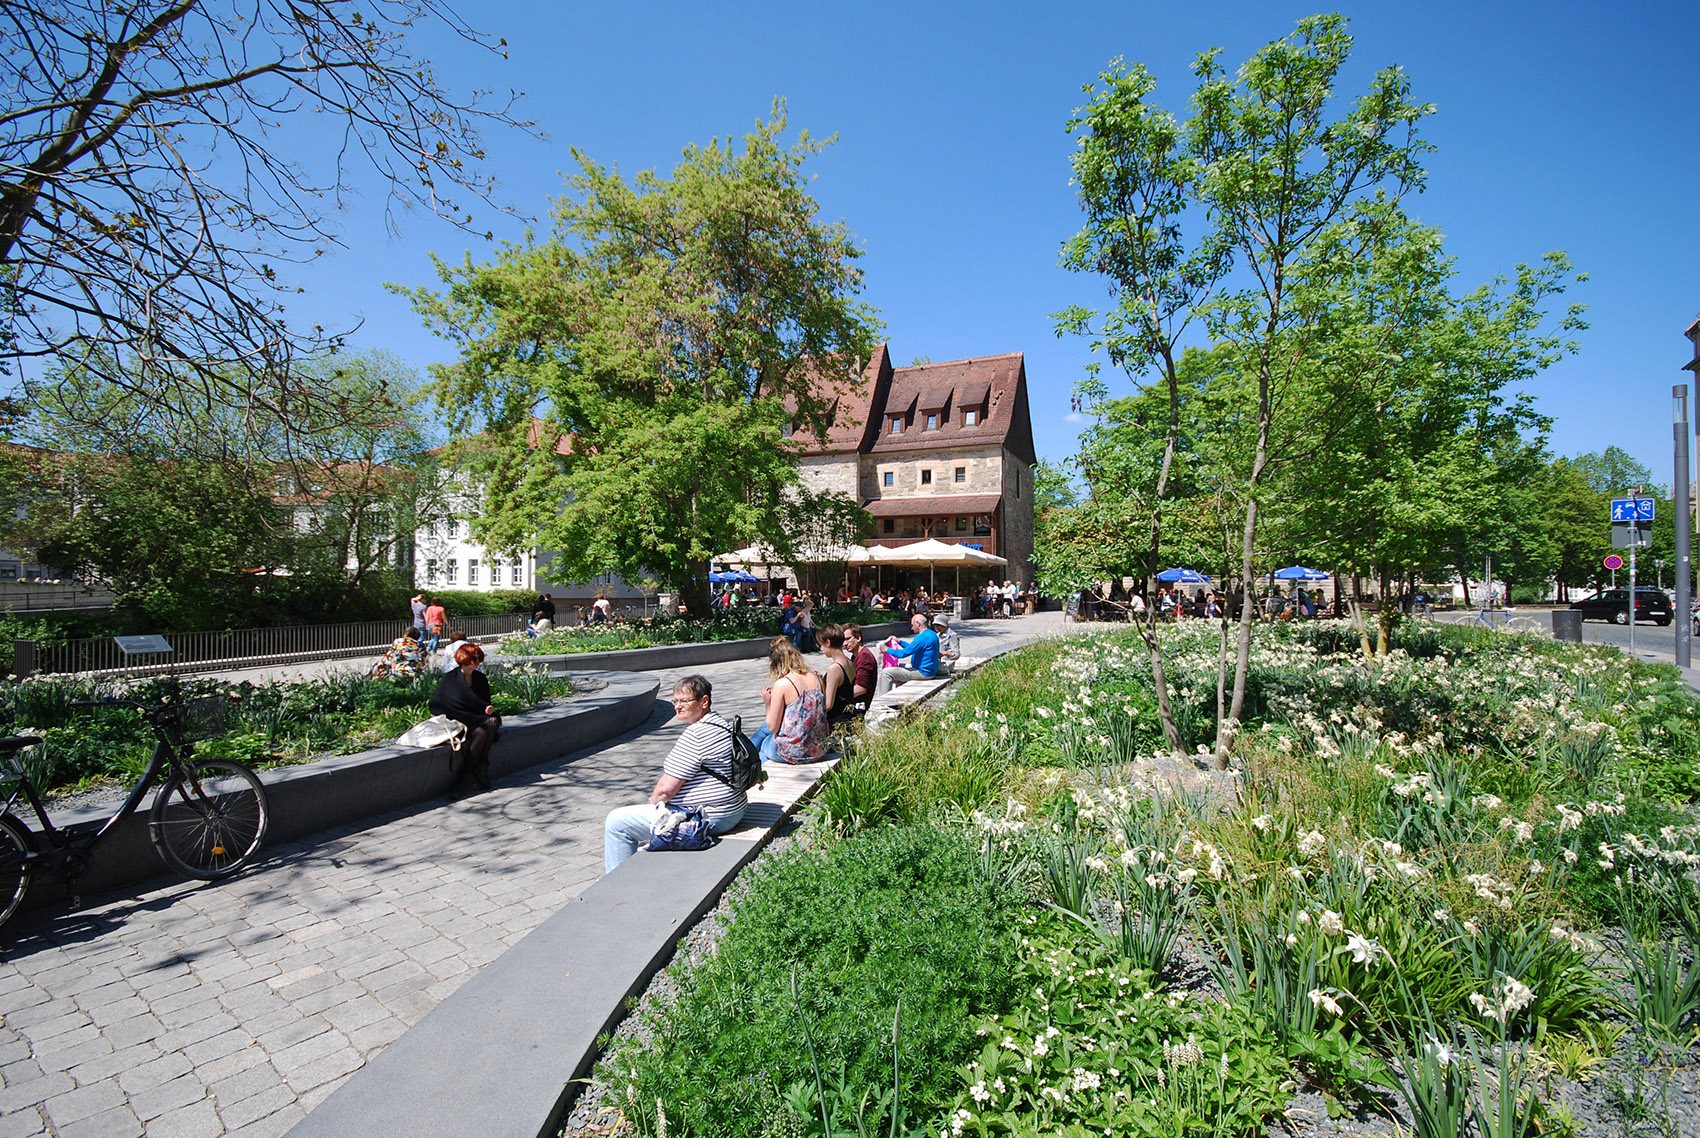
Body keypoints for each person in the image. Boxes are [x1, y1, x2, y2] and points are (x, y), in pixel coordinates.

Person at [601, 675, 747, 873]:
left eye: (684, 701)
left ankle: (616, 883)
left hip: (710, 818)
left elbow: (665, 790)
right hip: (734, 810)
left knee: (616, 822)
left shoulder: (695, 735)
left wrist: (653, 807)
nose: (677, 706)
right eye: (675, 701)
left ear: (704, 701)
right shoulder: (722, 724)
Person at [430, 643, 500, 796]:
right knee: (485, 729)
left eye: (479, 659)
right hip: (458, 721)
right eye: (474, 659)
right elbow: (442, 704)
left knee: (489, 724)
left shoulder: (480, 678)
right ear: (463, 659)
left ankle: (468, 774)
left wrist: (486, 708)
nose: (477, 662)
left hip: (477, 719)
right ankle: (480, 767)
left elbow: (483, 701)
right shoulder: (450, 680)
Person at [748, 638, 828, 764]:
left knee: (764, 745)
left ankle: (754, 775)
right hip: (819, 749)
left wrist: (768, 701)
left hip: (795, 752)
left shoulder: (783, 684)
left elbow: (773, 727)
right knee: (765, 739)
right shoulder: (817, 678)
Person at [876, 613, 941, 695]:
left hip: (923, 673)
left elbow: (902, 654)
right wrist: (899, 641)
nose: (912, 628)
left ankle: (882, 700)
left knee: (886, 672)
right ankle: (895, 695)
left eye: (912, 625)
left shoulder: (922, 637)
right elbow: (912, 648)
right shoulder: (932, 634)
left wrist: (886, 649)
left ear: (918, 624)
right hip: (930, 671)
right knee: (898, 667)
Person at [818, 625, 866, 725]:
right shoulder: (849, 662)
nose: (821, 648)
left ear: (828, 642)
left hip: (836, 722)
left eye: (822, 644)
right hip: (848, 717)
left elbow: (828, 704)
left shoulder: (834, 668)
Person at [843, 624, 878, 706]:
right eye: (843, 640)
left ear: (858, 638)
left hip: (858, 708)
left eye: (848, 639)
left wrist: (838, 697)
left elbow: (861, 688)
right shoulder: (856, 656)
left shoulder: (864, 657)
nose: (844, 644)